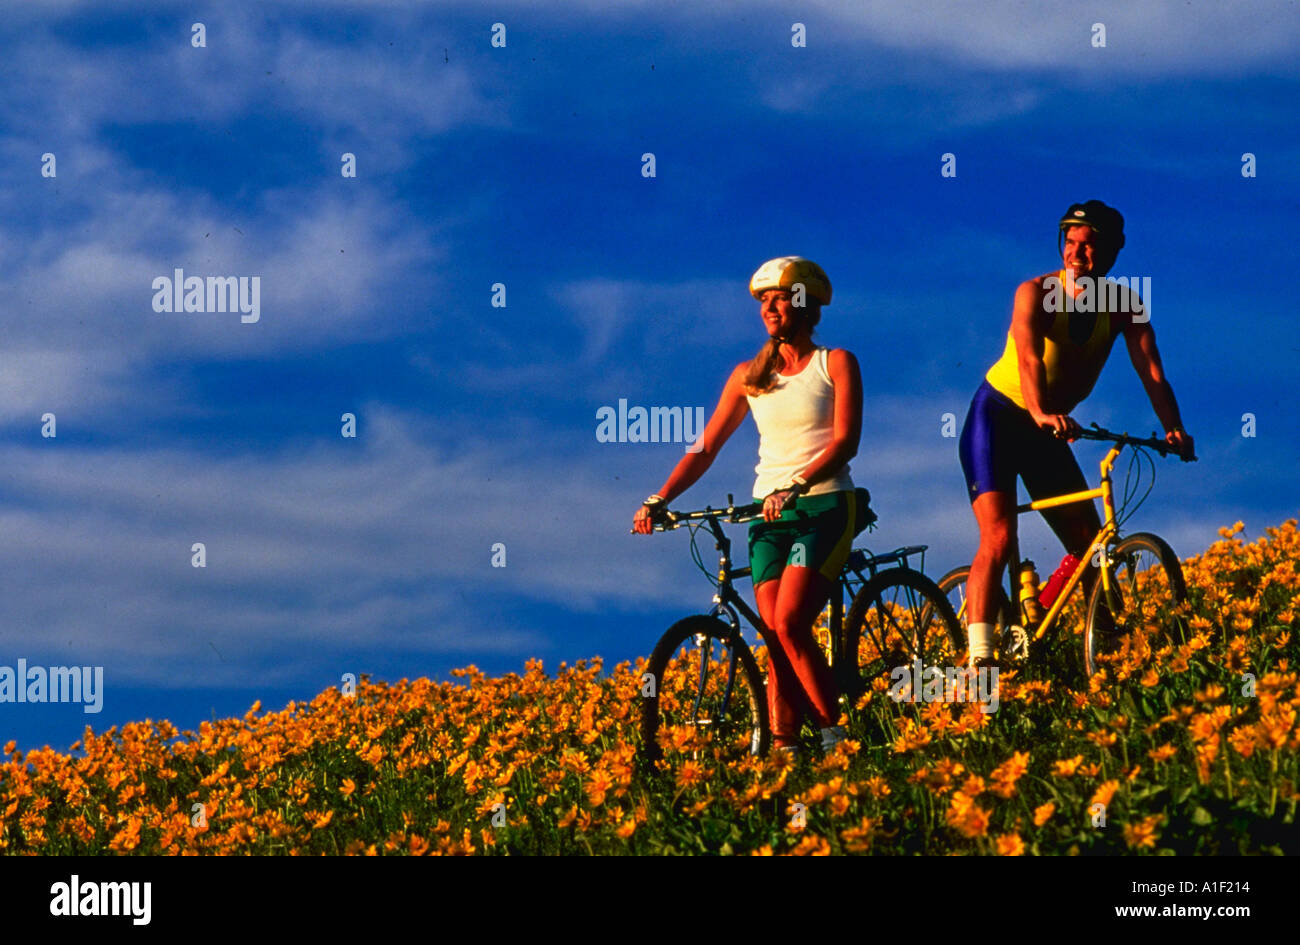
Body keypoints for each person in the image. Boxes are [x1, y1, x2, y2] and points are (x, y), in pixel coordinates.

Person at [633, 257, 866, 758]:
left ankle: (836, 740)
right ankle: (785, 750)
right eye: (763, 301)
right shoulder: (750, 375)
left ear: (803, 303)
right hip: (767, 519)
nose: (769, 308)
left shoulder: (836, 363)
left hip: (823, 508)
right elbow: (707, 446)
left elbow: (846, 442)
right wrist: (661, 498)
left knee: (790, 623)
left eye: (778, 298)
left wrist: (798, 484)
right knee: (775, 639)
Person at [957, 200, 1195, 667]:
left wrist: (1174, 429)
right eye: (1070, 242)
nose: (1076, 253)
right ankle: (981, 661)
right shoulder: (1036, 293)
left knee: (1092, 546)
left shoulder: (1124, 305)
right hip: (999, 417)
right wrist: (1043, 411)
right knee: (1000, 538)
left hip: (1047, 427)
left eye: (1089, 246)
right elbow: (1028, 359)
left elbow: (1151, 370)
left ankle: (1105, 657)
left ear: (1109, 254)